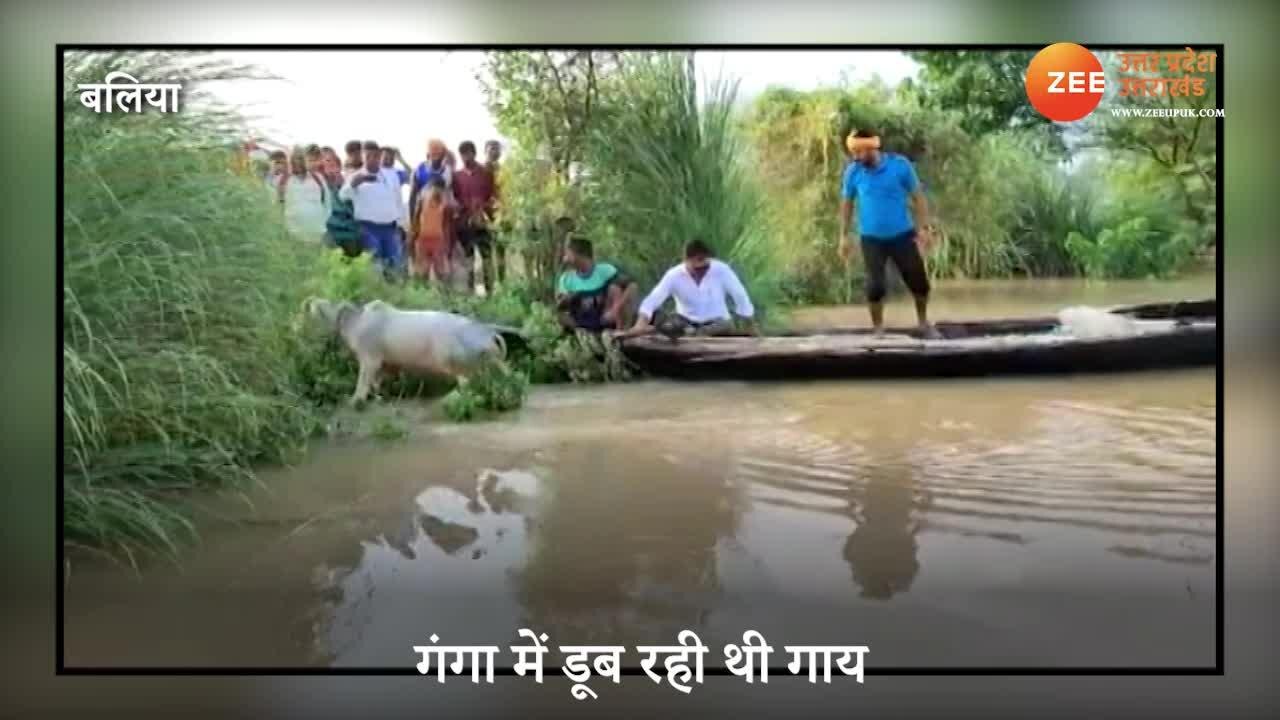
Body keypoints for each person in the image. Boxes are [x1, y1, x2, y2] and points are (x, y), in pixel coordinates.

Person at [838, 128, 940, 338]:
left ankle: (923, 323)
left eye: (859, 152)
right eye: (853, 153)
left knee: (919, 283)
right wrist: (844, 236)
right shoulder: (853, 172)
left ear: (871, 148)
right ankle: (878, 330)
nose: (855, 157)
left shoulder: (899, 165)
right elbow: (847, 204)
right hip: (871, 238)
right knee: (875, 286)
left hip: (902, 234)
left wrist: (925, 229)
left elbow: (918, 197)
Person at [617, 240, 758, 339]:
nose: (702, 271)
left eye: (705, 267)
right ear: (686, 261)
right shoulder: (674, 275)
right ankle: (689, 333)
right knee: (668, 324)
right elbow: (652, 300)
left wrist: (750, 326)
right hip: (685, 322)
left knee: (723, 326)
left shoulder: (721, 270)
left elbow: (740, 295)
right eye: (698, 268)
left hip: (717, 323)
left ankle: (694, 334)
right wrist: (639, 326)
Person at [340, 140, 405, 277]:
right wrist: (354, 184)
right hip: (368, 229)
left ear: (380, 156)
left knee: (394, 266)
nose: (372, 159)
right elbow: (342, 196)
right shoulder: (355, 176)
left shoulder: (391, 175)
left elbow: (397, 200)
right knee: (375, 268)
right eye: (368, 156)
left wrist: (400, 223)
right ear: (362, 157)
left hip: (390, 228)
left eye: (375, 156)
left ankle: (394, 289)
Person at [555, 236, 639, 332]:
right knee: (561, 316)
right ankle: (583, 334)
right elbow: (561, 307)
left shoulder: (606, 270)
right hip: (582, 322)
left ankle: (621, 331)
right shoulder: (566, 279)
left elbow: (631, 287)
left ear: (579, 254)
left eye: (567, 254)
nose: (565, 258)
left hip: (607, 317)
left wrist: (616, 309)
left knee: (617, 288)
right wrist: (566, 299)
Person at [453, 141, 499, 294]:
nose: (466, 157)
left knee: (487, 258)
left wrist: (485, 210)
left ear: (474, 153)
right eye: (462, 154)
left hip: (483, 222)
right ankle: (470, 292)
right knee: (468, 259)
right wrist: (462, 209)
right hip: (464, 224)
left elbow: (493, 196)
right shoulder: (457, 176)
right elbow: (454, 198)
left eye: (468, 153)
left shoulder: (486, 173)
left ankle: (490, 293)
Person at [280, 145, 330, 245]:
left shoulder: (318, 178)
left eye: (300, 158)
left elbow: (327, 204)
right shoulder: (284, 180)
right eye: (295, 159)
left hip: (316, 234)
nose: (297, 162)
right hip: (293, 235)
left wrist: (322, 225)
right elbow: (279, 204)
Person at [411, 176, 455, 285]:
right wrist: (412, 237)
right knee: (422, 272)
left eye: (439, 188)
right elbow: (416, 220)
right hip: (423, 239)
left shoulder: (446, 205)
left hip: (438, 240)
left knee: (441, 273)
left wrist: (447, 243)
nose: (435, 190)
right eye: (433, 187)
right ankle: (422, 293)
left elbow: (446, 224)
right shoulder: (422, 200)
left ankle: (442, 294)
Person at [322, 148, 362, 256]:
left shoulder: (350, 184)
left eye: (330, 162)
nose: (327, 165)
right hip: (331, 235)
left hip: (351, 235)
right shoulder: (319, 186)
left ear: (339, 166)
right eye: (324, 162)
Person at [410, 139, 452, 222]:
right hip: (423, 212)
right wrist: (412, 219)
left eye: (439, 153)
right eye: (433, 152)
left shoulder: (447, 170)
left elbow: (443, 187)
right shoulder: (419, 170)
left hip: (440, 214)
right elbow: (413, 197)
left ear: (443, 155)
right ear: (428, 154)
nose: (436, 155)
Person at [483, 140, 507, 285]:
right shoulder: (480, 170)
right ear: (485, 151)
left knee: (501, 251)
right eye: (492, 149)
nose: (495, 152)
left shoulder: (503, 170)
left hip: (501, 213)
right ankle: (489, 288)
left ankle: (502, 284)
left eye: (497, 149)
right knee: (486, 253)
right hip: (484, 213)